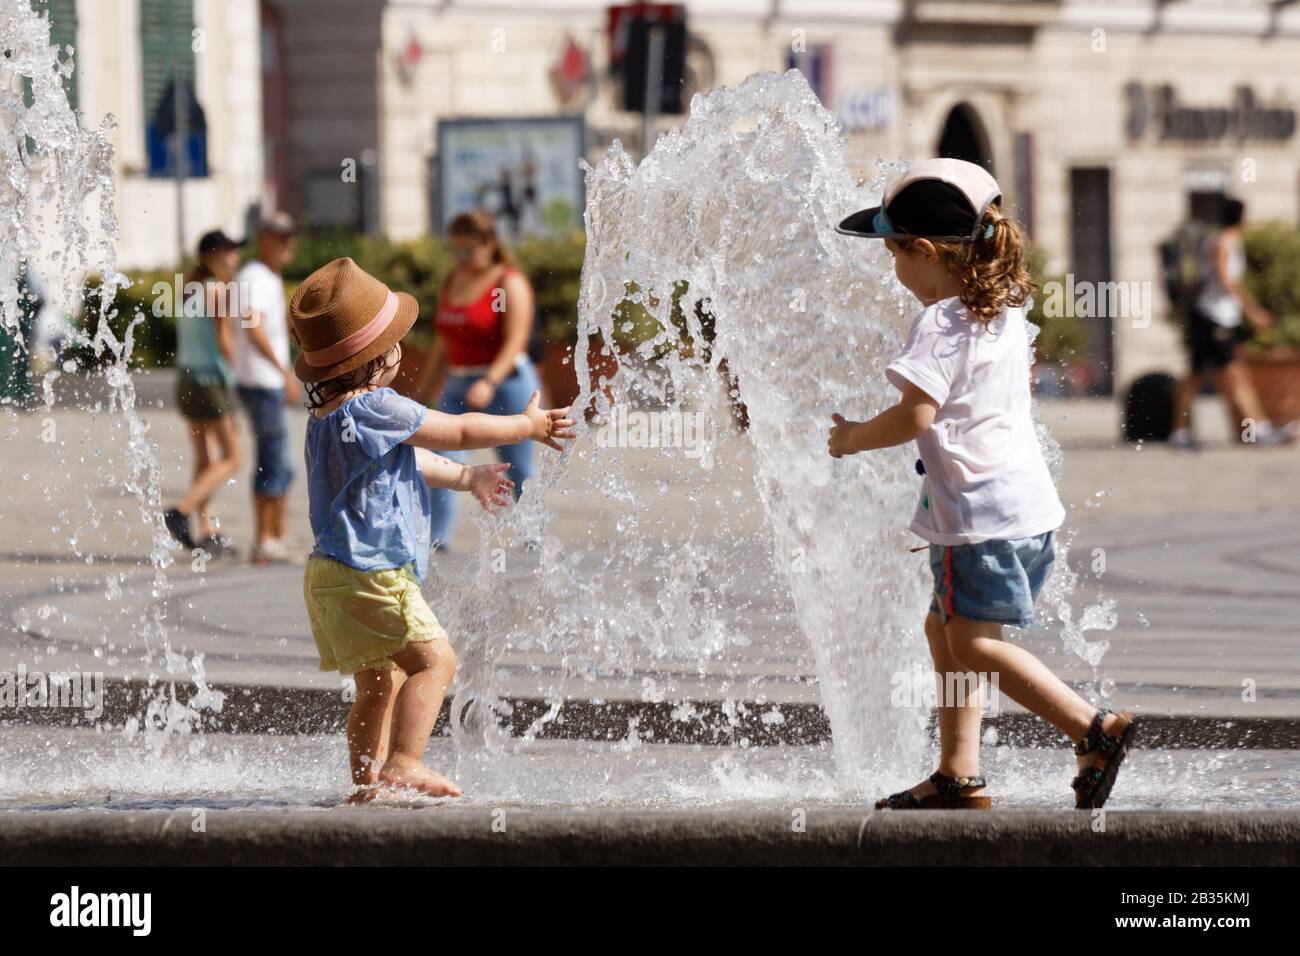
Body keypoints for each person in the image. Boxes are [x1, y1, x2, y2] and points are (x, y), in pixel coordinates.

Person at [830, 159, 1137, 810]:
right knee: (944, 630)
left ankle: (1091, 728)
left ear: (923, 252)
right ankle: (959, 772)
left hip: (978, 519)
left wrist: (852, 437)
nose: (895, 272)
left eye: (895, 255)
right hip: (1021, 512)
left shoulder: (940, 323)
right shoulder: (1000, 311)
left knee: (969, 641)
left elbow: (918, 416)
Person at [290, 257, 574, 801]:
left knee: (381, 684)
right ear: (380, 357)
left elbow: (408, 464)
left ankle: (366, 782)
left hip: (329, 577)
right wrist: (526, 426)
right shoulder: (380, 406)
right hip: (375, 575)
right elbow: (459, 428)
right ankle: (404, 762)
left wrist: (468, 479)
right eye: (395, 341)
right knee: (438, 660)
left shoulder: (327, 419)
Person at [413, 210, 543, 549]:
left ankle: (533, 536)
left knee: (518, 468)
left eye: (468, 250)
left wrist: (489, 380)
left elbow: (517, 338)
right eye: (454, 250)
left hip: (507, 381)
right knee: (443, 461)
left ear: (489, 244)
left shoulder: (508, 281)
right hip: (457, 383)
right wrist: (425, 387)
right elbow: (444, 340)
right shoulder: (453, 279)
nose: (461, 258)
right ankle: (436, 539)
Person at [1170, 199, 1290, 449]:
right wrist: (1253, 311)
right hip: (1213, 317)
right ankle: (1260, 429)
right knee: (1235, 374)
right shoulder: (1225, 241)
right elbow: (1225, 279)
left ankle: (1179, 434)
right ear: (1241, 217)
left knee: (1196, 376)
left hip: (1213, 317)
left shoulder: (1222, 239)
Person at [164, 230, 244, 555]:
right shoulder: (218, 291)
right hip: (210, 380)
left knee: (205, 456)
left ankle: (206, 526)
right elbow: (225, 342)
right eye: (228, 250)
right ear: (212, 254)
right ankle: (180, 512)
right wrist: (239, 371)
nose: (234, 256)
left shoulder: (188, 289)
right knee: (233, 459)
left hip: (186, 378)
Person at [233, 211, 300, 563]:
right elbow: (253, 328)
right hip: (262, 382)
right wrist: (284, 372)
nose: (290, 244)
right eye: (282, 237)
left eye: (292, 236)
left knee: (282, 464)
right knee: (272, 462)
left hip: (266, 380)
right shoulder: (255, 277)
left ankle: (277, 533)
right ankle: (264, 539)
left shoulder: (266, 276)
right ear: (264, 239)